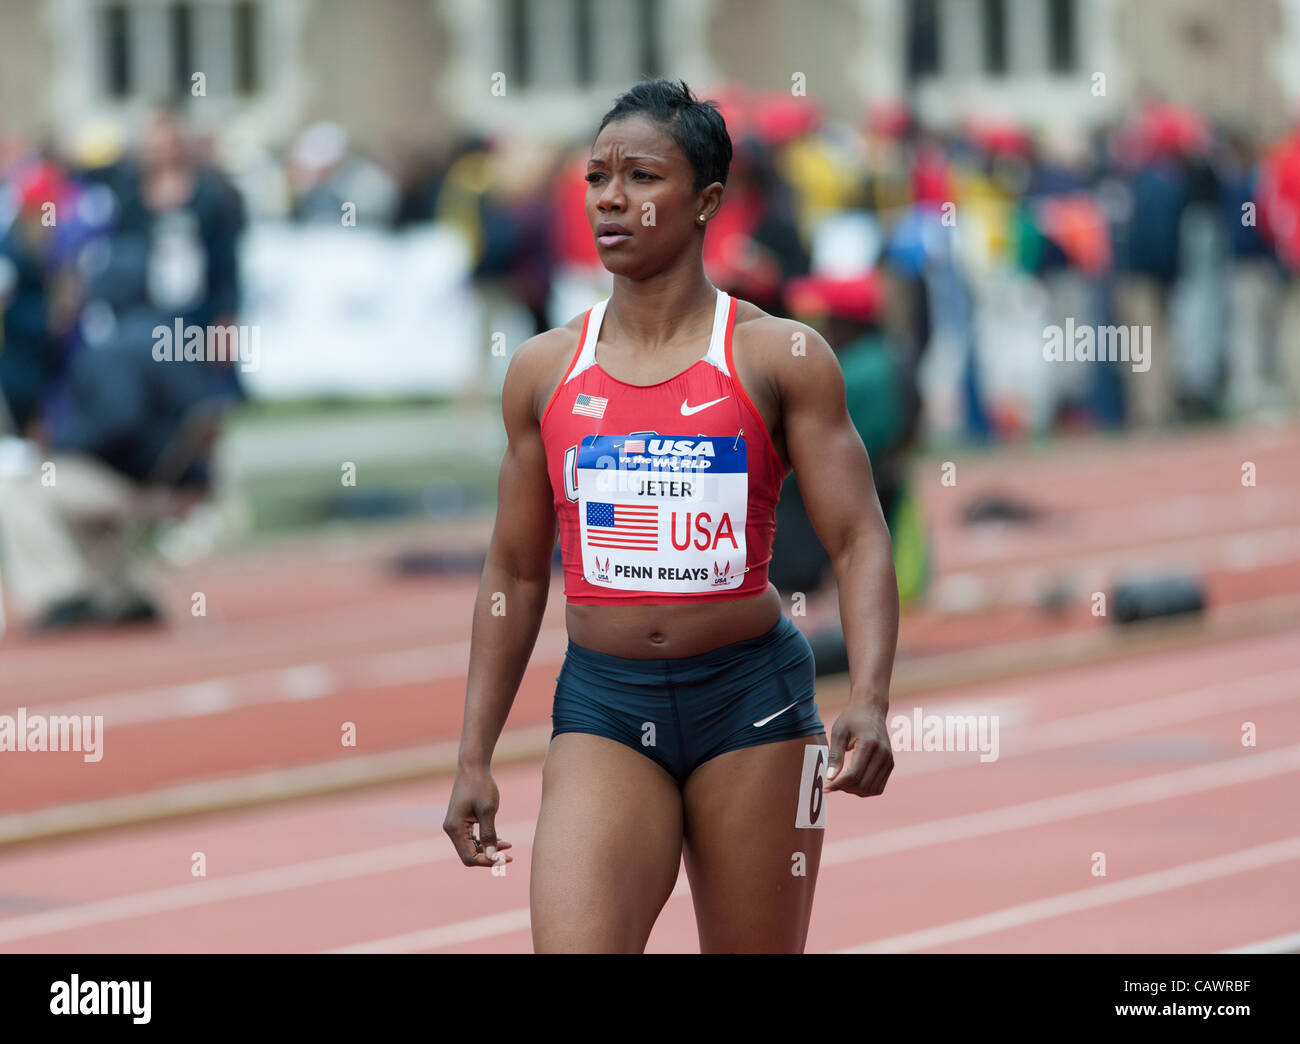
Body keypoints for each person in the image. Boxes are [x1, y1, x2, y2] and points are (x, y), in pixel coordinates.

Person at [443, 79, 899, 953]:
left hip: (753, 707)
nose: (611, 198)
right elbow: (513, 572)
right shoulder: (543, 371)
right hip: (605, 707)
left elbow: (858, 535)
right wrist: (474, 754)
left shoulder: (780, 356)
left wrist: (871, 699)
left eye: (643, 177)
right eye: (597, 177)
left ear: (707, 204)